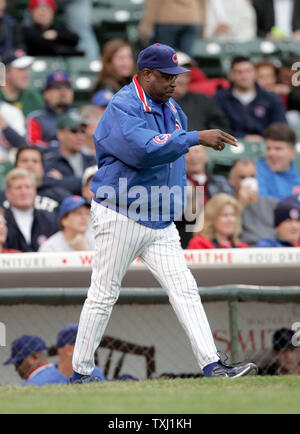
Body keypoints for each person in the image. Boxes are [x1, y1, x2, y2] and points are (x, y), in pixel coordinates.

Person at [70, 43, 257, 383]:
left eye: (177, 75)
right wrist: (195, 137)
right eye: (167, 76)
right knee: (104, 293)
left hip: (159, 220)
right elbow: (143, 151)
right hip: (120, 213)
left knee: (185, 289)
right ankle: (81, 371)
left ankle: (213, 365)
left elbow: (172, 162)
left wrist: (174, 207)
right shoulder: (123, 105)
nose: (174, 82)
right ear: (144, 74)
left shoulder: (171, 107)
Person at [213, 56, 287, 141]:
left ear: (255, 73)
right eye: (239, 72)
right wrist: (242, 137)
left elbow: (281, 127)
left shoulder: (271, 98)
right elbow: (217, 128)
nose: (244, 76)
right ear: (231, 75)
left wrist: (264, 138)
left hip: (267, 145)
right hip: (232, 145)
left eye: (248, 71)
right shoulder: (220, 98)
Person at [175, 145, 233, 248]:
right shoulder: (176, 183)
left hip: (217, 235)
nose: (193, 156)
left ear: (206, 156)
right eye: (188, 152)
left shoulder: (221, 182)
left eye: (197, 151)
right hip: (186, 235)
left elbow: (232, 210)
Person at [3, 168, 59, 252]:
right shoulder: (2, 220)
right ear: (8, 193)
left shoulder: (51, 219)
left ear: (35, 191)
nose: (24, 192)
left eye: (28, 187)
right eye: (18, 188)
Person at [2, 145, 70, 213]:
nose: (30, 165)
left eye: (35, 161)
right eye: (25, 161)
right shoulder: (3, 196)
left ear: (43, 167)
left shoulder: (60, 195)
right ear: (15, 166)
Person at [43, 111, 96, 195]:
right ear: (60, 134)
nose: (80, 136)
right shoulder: (49, 160)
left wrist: (62, 180)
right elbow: (48, 185)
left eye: (82, 131)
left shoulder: (91, 159)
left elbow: (97, 183)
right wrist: (86, 181)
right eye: (74, 131)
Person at [228, 158, 278, 246]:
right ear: (231, 180)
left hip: (272, 248)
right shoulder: (225, 204)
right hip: (245, 250)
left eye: (252, 176)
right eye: (242, 177)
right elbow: (226, 233)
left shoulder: (272, 203)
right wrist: (240, 204)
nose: (248, 181)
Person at [139, 0, 205, 56]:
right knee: (186, 60)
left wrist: (146, 25)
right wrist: (203, 25)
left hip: (167, 19)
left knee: (165, 59)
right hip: (192, 19)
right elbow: (203, 3)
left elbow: (153, 3)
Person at [27, 71, 75, 148]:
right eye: (57, 87)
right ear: (46, 94)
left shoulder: (79, 116)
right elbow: (33, 146)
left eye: (68, 87)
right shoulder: (36, 118)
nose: (63, 92)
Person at [256, 123, 300, 200]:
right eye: (268, 148)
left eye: (278, 148)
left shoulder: (297, 178)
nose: (271, 153)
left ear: (292, 152)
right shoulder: (255, 172)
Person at [3, 335, 68, 386]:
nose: (16, 369)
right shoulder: (61, 373)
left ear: (35, 357)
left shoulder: (32, 385)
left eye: (18, 363)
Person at [0, 49, 44, 117]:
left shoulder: (34, 97)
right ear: (5, 72)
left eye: (27, 69)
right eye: (21, 69)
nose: (26, 74)